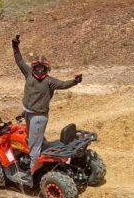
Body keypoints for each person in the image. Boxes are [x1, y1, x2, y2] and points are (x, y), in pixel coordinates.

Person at [11, 34, 82, 184]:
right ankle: (35, 164)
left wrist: (75, 81)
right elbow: (19, 60)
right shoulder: (28, 73)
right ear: (33, 67)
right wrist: (15, 46)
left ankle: (31, 174)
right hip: (28, 113)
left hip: (39, 116)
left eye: (42, 67)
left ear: (46, 68)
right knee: (32, 140)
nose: (39, 69)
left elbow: (63, 85)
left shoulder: (50, 82)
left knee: (34, 146)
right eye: (37, 66)